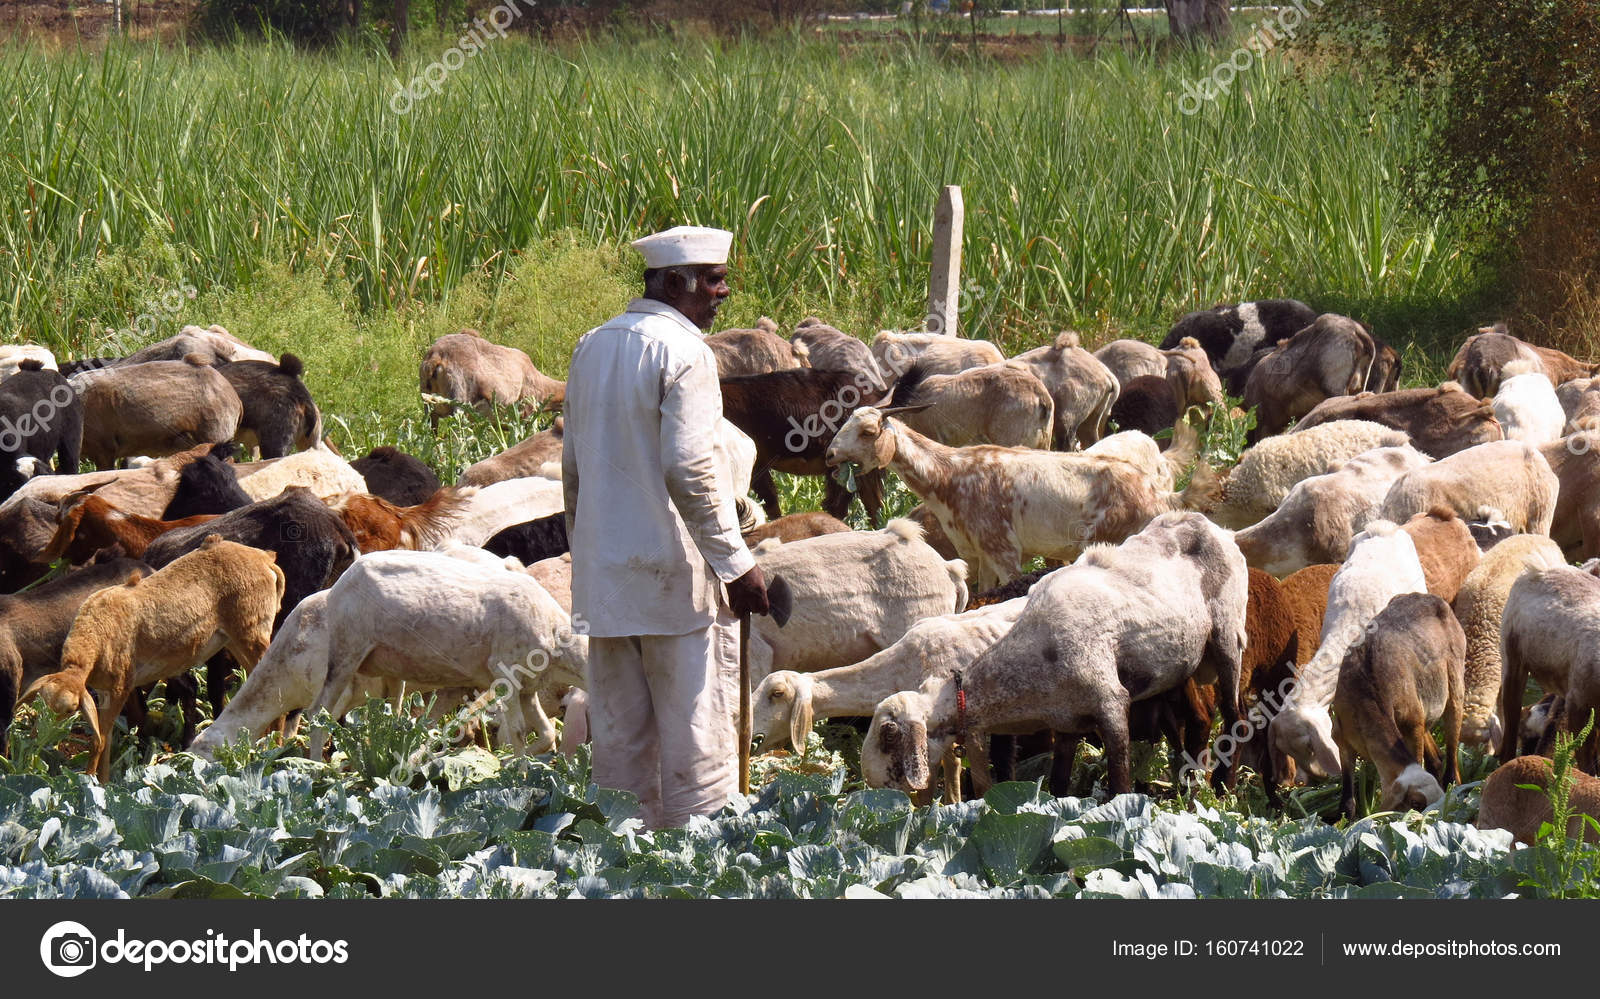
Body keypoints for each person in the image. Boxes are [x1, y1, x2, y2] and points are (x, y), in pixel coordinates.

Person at [561, 225, 770, 830]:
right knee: (696, 743)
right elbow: (691, 467)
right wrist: (737, 563)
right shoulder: (686, 353)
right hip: (673, 581)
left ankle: (626, 874)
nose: (722, 292)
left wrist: (590, 557)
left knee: (620, 746)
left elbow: (572, 471)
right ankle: (699, 874)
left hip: (608, 581)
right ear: (674, 282)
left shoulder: (592, 345)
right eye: (712, 280)